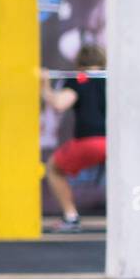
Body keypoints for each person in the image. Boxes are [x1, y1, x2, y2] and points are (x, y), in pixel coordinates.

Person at [41, 43, 107, 232]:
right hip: (116, 144)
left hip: (89, 143)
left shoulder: (79, 79)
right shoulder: (112, 80)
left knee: (53, 167)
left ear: (79, 64)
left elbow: (59, 104)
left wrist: (44, 85)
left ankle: (71, 218)